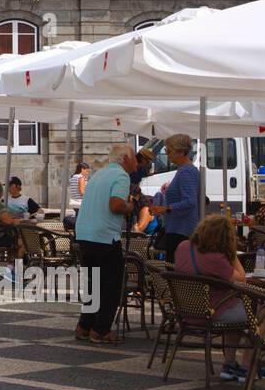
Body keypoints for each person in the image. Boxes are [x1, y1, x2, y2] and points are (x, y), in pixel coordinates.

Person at [174, 214, 265, 382]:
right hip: (212, 313)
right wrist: (231, 254)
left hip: (186, 312)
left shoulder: (182, 247)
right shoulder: (216, 259)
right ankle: (246, 366)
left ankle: (229, 365)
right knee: (263, 314)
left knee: (235, 312)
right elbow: (242, 279)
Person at [74, 145, 136, 344]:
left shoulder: (99, 174)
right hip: (105, 235)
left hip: (85, 233)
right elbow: (116, 205)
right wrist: (130, 206)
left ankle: (84, 326)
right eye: (134, 157)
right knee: (111, 286)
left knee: (92, 284)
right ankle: (101, 330)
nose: (136, 161)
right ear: (125, 159)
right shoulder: (122, 176)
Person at [150, 133, 200, 261]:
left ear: (181, 152)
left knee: (174, 271)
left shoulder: (186, 171)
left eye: (168, 150)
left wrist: (166, 209)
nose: (167, 154)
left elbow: (190, 201)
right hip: (181, 229)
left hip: (181, 231)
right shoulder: (187, 170)